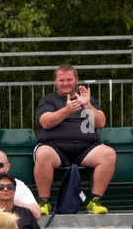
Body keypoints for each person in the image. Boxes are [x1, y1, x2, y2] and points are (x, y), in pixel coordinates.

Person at [33, 64, 112, 215]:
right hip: (55, 148)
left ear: (76, 80)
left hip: (86, 148)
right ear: (55, 81)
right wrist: (67, 110)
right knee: (42, 154)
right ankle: (44, 202)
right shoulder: (48, 100)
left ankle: (94, 201)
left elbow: (101, 122)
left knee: (108, 154)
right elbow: (45, 122)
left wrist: (87, 104)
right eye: (61, 80)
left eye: (69, 79)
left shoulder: (87, 100)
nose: (65, 83)